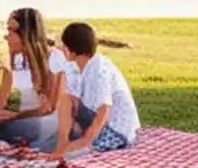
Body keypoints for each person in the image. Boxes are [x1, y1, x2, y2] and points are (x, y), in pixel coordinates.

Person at [0, 7, 73, 150]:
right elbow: (2, 101)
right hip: (14, 112)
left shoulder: (54, 59)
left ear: (26, 35)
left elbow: (49, 108)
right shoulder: (15, 59)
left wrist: (13, 116)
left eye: (10, 31)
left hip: (40, 119)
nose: (7, 36)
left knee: (12, 129)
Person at [50, 21, 140, 158]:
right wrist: (63, 143)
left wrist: (86, 140)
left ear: (70, 51)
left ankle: (84, 145)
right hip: (95, 117)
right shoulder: (75, 67)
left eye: (63, 46)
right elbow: (68, 100)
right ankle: (62, 143)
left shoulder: (99, 71)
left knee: (76, 153)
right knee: (66, 98)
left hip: (116, 128)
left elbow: (104, 109)